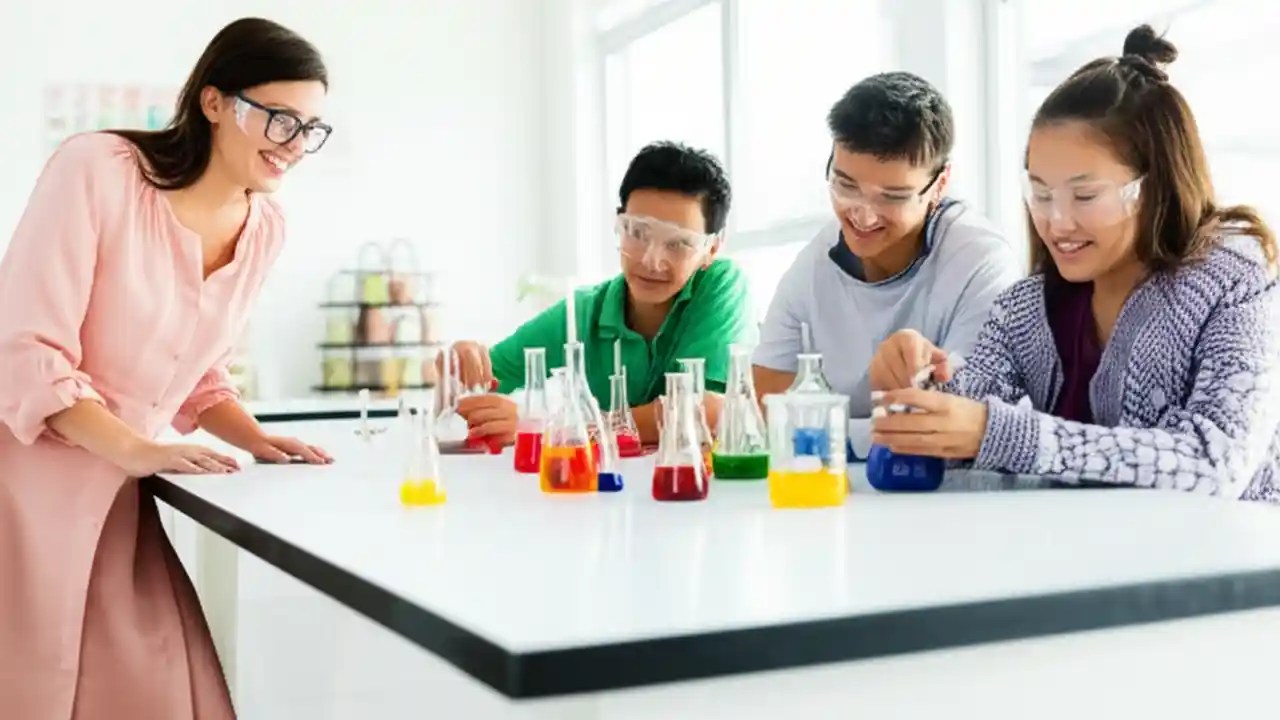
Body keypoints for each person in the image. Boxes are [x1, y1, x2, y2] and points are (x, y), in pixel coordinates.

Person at [0, 17, 335, 717]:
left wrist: (252, 436)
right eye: (280, 120)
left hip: (115, 495)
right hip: (21, 484)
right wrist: (139, 448)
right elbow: (26, 349)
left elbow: (202, 371)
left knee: (162, 688)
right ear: (214, 102)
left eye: (310, 129)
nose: (295, 146)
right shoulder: (98, 169)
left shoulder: (266, 228)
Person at [869, 26, 1280, 502]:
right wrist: (920, 392)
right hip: (1099, 560)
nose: (1057, 222)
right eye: (1041, 194)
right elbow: (965, 427)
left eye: (1085, 195)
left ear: (1156, 185)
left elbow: (1214, 464)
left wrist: (1001, 434)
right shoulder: (1026, 309)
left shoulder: (1238, 283)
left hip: (1239, 567)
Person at [752, 72, 1022, 451]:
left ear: (939, 185)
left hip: (950, 496)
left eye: (892, 197)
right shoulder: (816, 260)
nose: (862, 216)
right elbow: (766, 401)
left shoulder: (981, 262)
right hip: (844, 488)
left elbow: (959, 420)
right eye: (846, 185)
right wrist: (878, 428)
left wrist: (823, 428)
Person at [449, 141, 749, 445]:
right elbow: (481, 386)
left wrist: (558, 429)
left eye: (677, 243)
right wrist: (459, 368)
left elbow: (706, 410)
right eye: (638, 232)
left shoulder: (722, 283)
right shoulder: (584, 312)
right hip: (612, 489)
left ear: (711, 247)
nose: (651, 260)